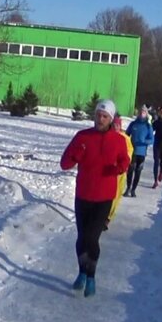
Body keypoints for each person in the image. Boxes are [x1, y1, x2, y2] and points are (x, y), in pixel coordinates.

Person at [60, 99, 130, 297]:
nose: (100, 119)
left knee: (92, 237)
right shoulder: (82, 137)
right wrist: (76, 154)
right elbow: (64, 163)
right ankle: (82, 272)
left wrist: (120, 167)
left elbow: (125, 160)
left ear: (110, 119)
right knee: (82, 239)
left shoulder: (118, 140)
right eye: (98, 115)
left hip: (104, 197)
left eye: (105, 116)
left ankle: (91, 277)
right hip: (83, 195)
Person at [105, 114, 134, 228]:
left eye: (118, 125)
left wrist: (122, 163)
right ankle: (102, 214)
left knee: (116, 195)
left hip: (120, 172)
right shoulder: (108, 136)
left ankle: (108, 217)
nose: (116, 127)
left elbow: (129, 152)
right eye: (114, 124)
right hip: (108, 170)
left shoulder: (125, 138)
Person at [123, 106, 154, 197]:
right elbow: (127, 135)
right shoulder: (133, 124)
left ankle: (133, 190)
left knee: (138, 171)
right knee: (130, 170)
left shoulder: (148, 126)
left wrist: (144, 142)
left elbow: (152, 139)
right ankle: (128, 188)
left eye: (144, 112)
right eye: (140, 112)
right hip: (132, 151)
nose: (141, 114)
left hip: (142, 152)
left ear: (146, 114)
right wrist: (127, 142)